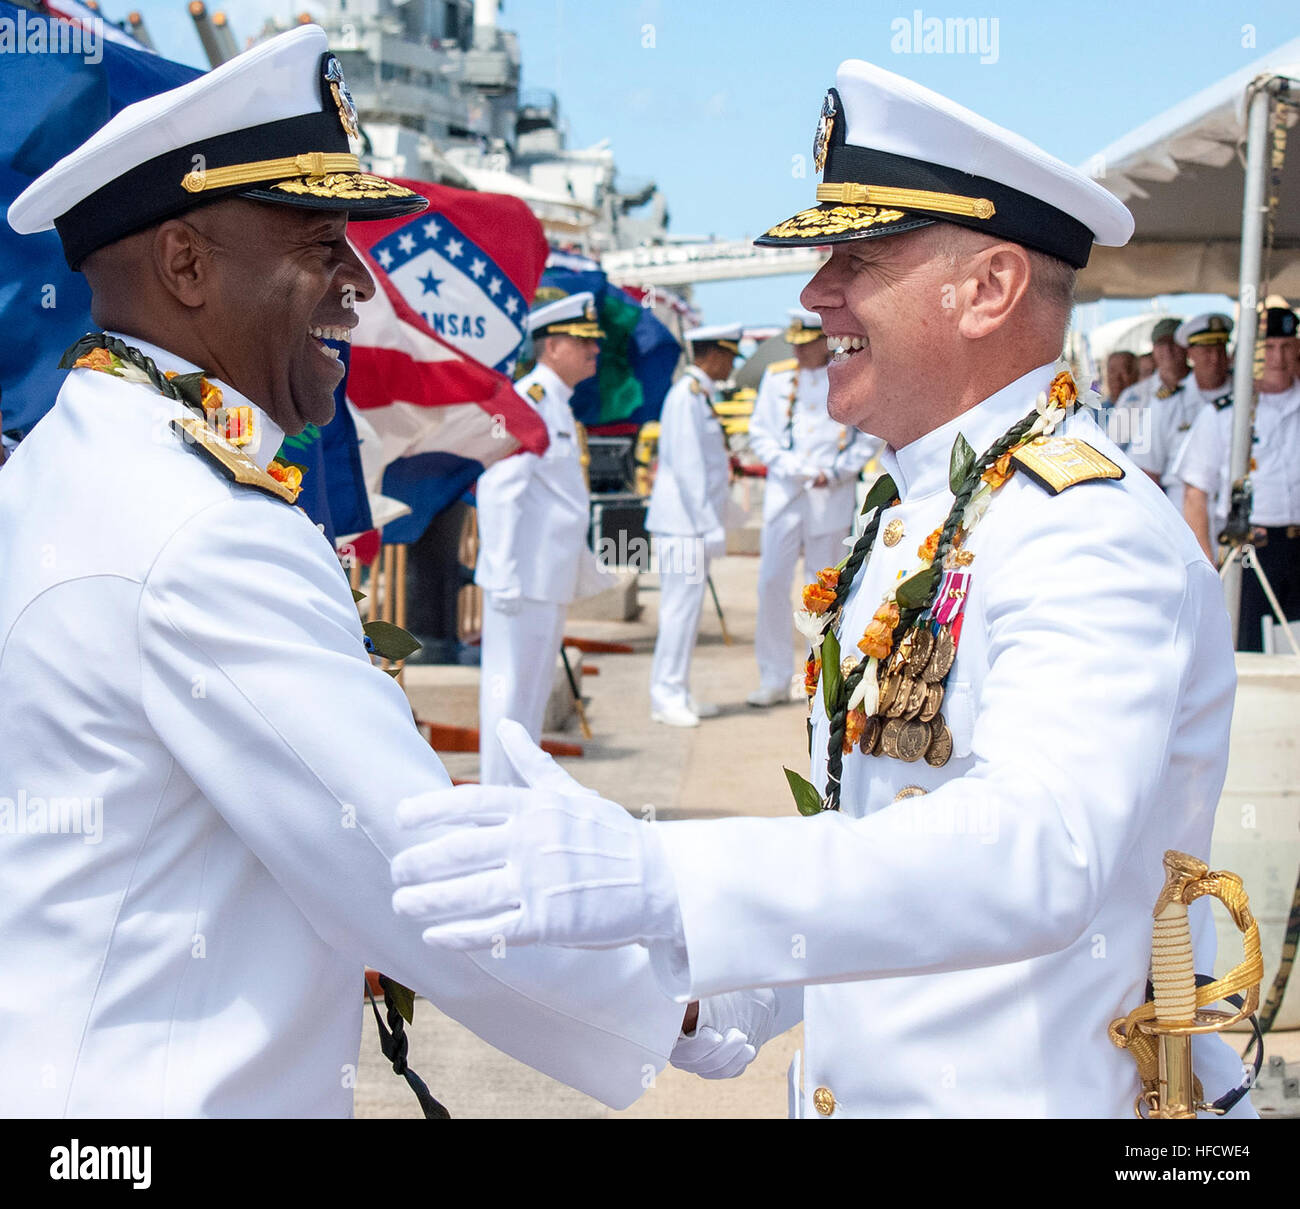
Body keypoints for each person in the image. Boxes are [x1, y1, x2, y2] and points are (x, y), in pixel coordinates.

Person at [390, 57, 1252, 1118]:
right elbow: (885, 836)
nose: (813, 294)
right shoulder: (920, 512)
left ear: (987, 289)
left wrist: (667, 871)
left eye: (859, 256)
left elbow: (1036, 853)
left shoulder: (1086, 530)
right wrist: (714, 997)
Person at [0, 25, 685, 1117]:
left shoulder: (73, 460)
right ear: (185, 264)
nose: (359, 287)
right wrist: (697, 991)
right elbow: (408, 868)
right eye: (322, 245)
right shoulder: (199, 526)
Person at [475, 292, 603, 785]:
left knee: (527, 696)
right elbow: (501, 490)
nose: (594, 352)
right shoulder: (532, 400)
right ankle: (499, 805)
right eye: (583, 342)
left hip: (542, 578)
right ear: (551, 347)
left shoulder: (555, 403)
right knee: (508, 698)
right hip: (521, 580)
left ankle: (516, 803)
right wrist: (503, 574)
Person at [747, 308, 876, 706]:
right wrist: (797, 469)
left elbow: (867, 434)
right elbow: (761, 435)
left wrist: (837, 471)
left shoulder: (849, 372)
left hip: (829, 494)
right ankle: (773, 675)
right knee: (771, 582)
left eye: (806, 344)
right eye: (795, 345)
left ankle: (820, 675)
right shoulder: (777, 378)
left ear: (824, 341)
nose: (799, 352)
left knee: (823, 590)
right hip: (787, 492)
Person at [1174, 305, 1300, 650]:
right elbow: (1195, 494)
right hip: (1251, 552)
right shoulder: (1223, 414)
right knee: (1250, 655)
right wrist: (1207, 568)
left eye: (1286, 346)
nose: (1278, 357)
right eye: (1268, 348)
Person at [645, 324, 740, 727]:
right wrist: (707, 525)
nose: (732, 364)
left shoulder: (698, 395)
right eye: (730, 356)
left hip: (689, 524)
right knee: (678, 614)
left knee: (686, 613)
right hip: (684, 525)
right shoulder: (687, 396)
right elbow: (688, 468)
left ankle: (677, 691)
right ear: (713, 354)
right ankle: (665, 695)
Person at [1131, 313, 1231, 513]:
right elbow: (1147, 472)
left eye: (1221, 349)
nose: (1215, 358)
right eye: (1207, 350)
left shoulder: (1246, 398)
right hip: (1183, 513)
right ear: (1190, 353)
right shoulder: (1167, 404)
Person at [1113, 316, 1185, 455]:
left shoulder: (1203, 386)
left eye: (1174, 342)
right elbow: (1114, 445)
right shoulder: (1134, 395)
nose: (1168, 349)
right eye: (1161, 343)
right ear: (1154, 349)